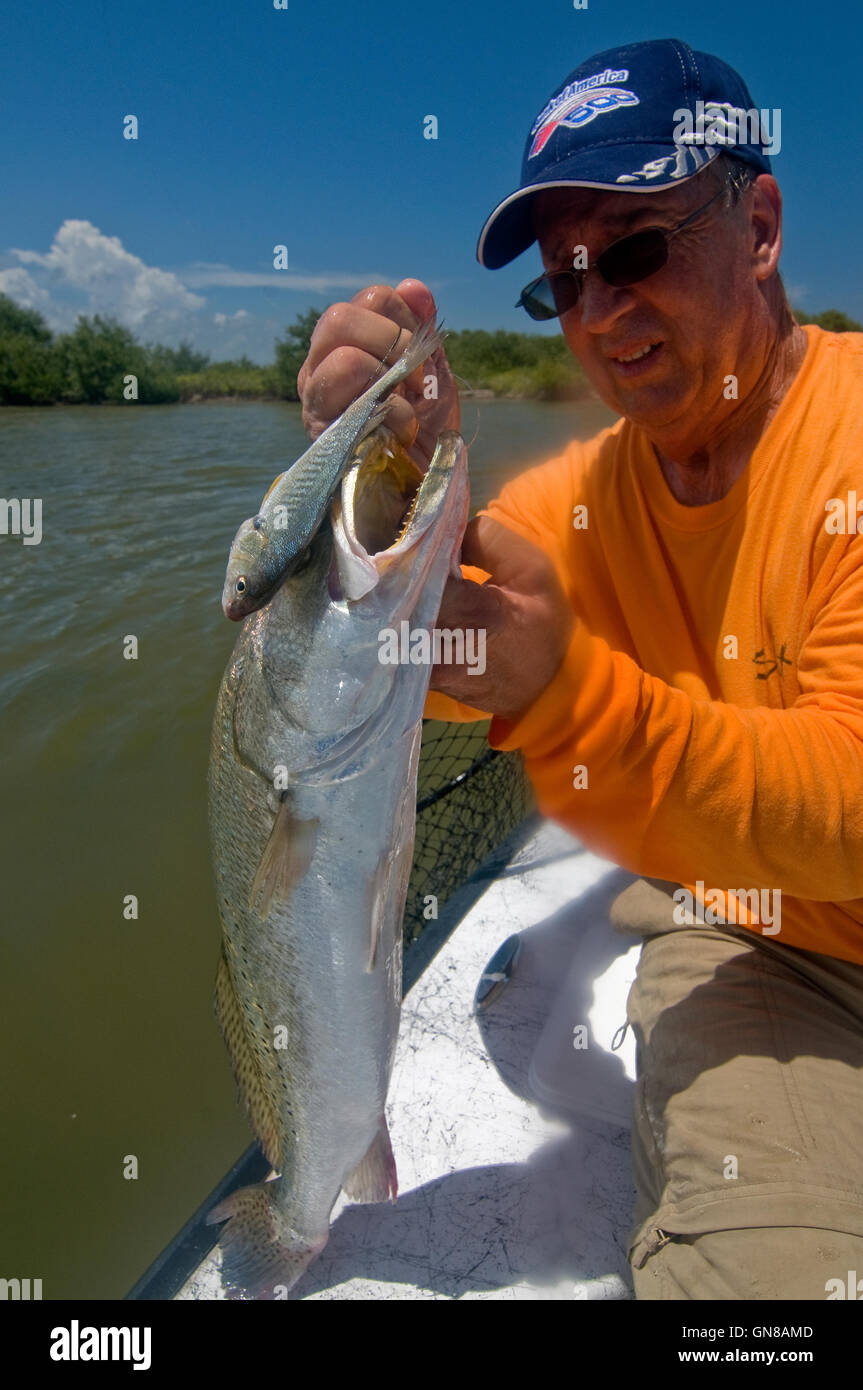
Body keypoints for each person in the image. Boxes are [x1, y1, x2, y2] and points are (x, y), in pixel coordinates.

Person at [297, 38, 863, 1300]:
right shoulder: (579, 501)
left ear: (757, 224)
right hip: (773, 952)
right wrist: (394, 494)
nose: (599, 309)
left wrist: (566, 693)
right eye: (564, 283)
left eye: (636, 250)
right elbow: (425, 660)